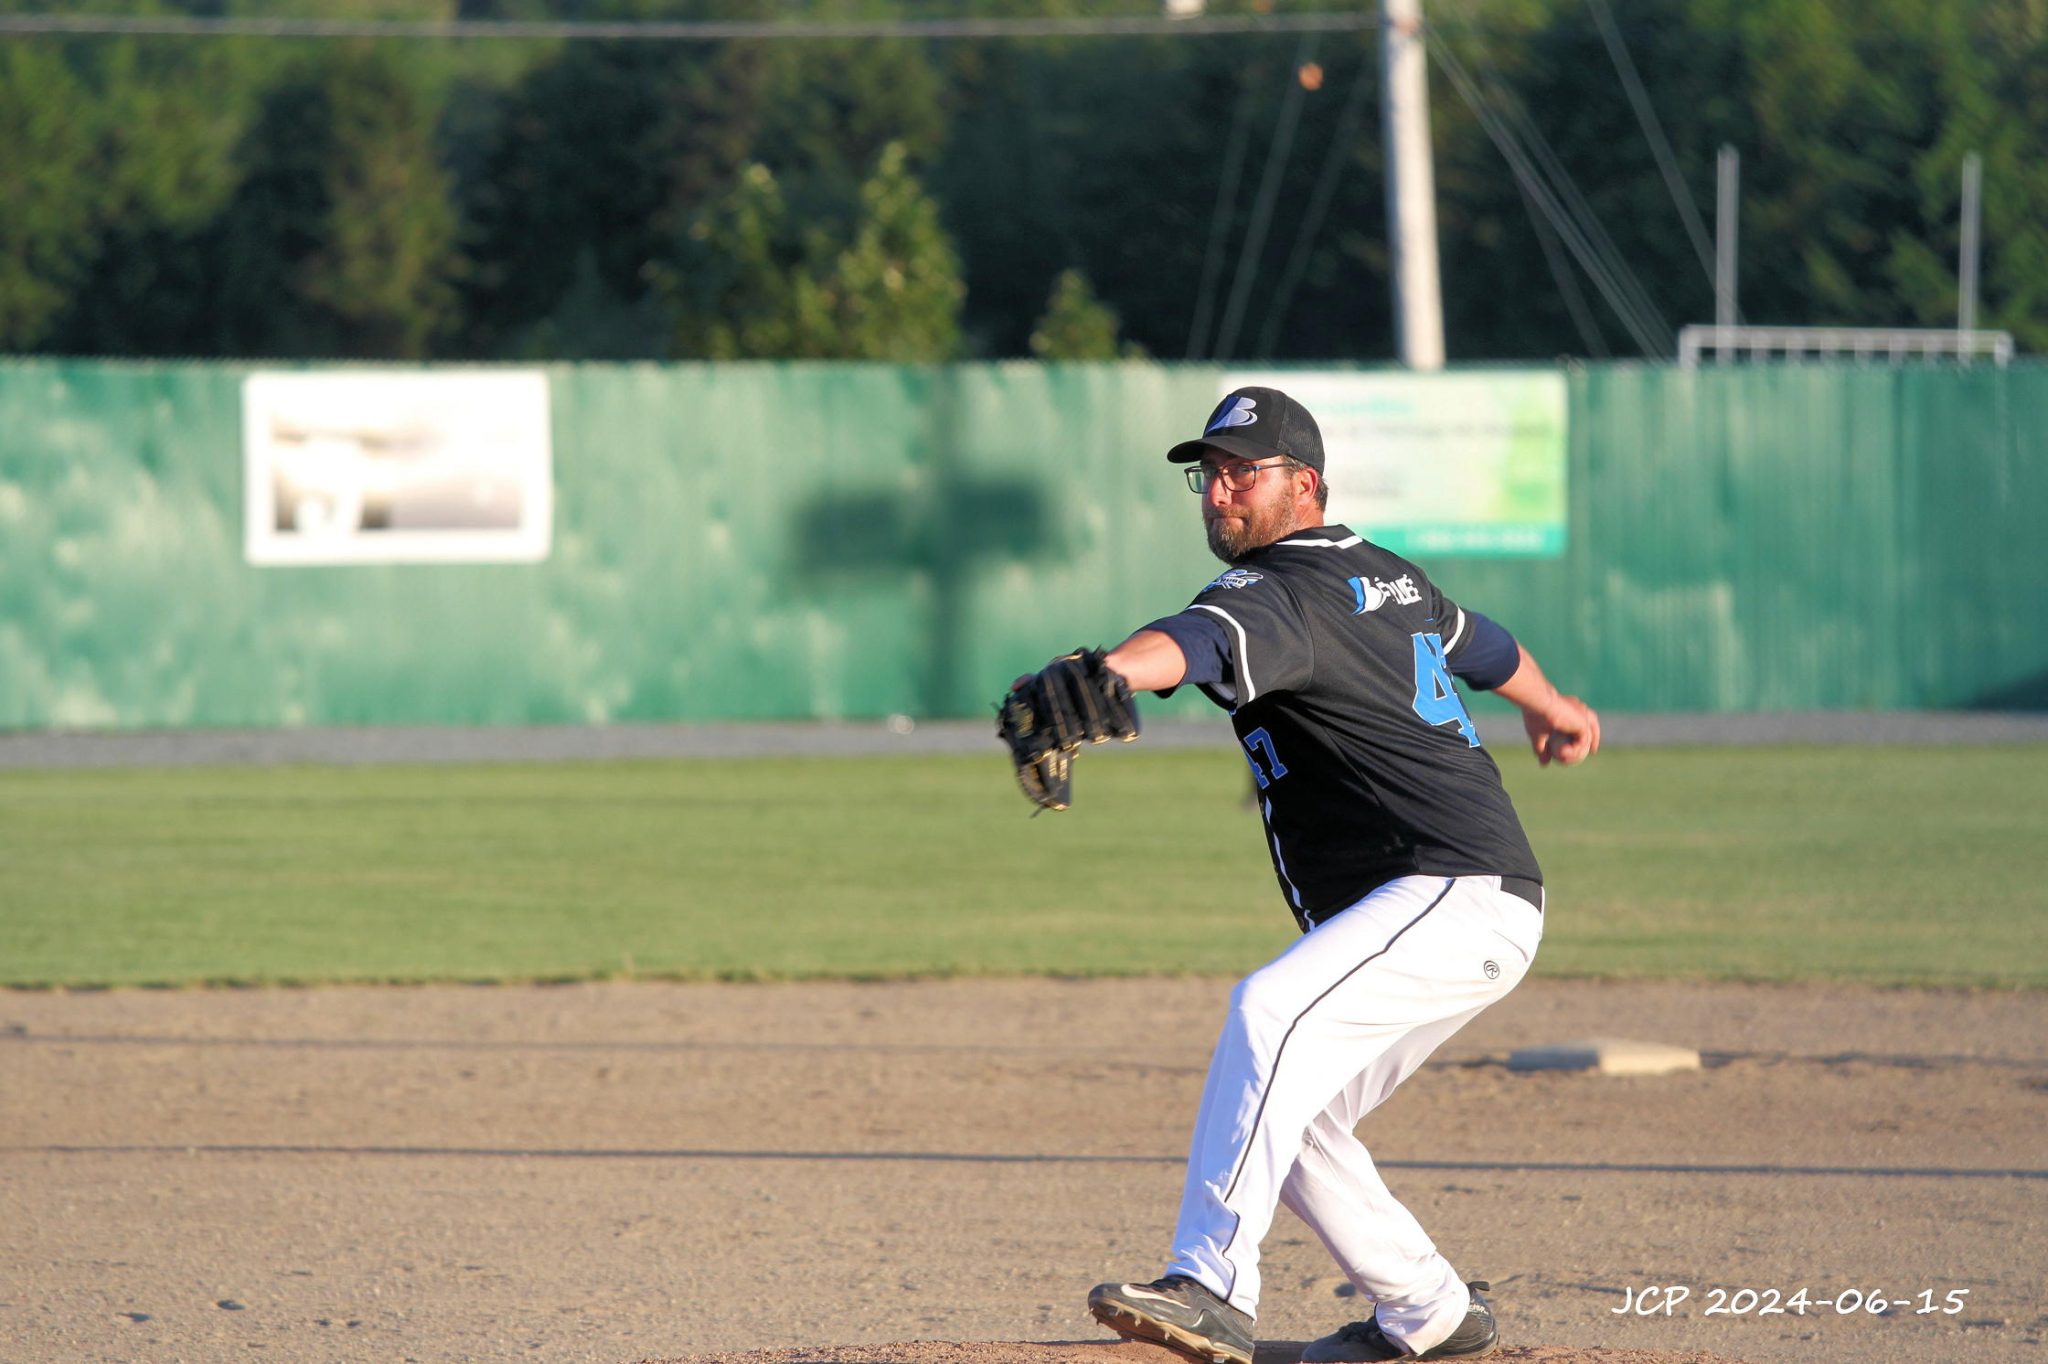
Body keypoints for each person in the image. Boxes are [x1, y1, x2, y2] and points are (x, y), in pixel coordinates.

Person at [1069, 386, 1600, 1363]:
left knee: (1266, 1014)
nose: (1218, 491)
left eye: (1242, 471)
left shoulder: (1273, 591)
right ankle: (1429, 1309)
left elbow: (1186, 644)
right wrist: (1551, 704)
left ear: (1302, 484)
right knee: (1289, 1106)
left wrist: (1107, 670)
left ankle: (1212, 1284)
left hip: (1443, 887)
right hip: (1468, 900)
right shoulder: (1384, 579)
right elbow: (1480, 644)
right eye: (1209, 472)